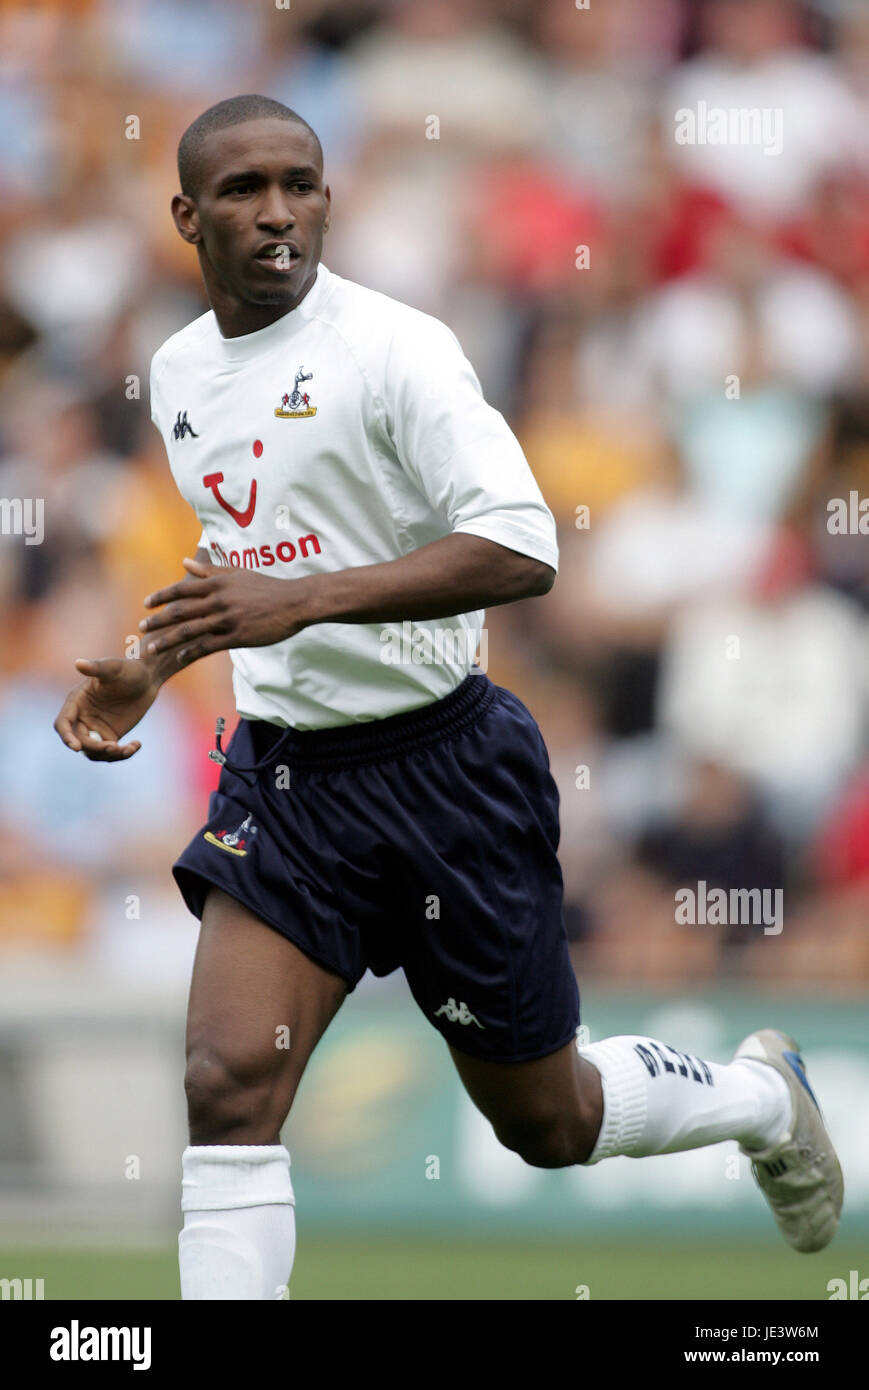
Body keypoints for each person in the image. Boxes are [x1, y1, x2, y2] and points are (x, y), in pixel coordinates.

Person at [54, 96, 842, 1300]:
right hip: (287, 778)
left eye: (299, 183)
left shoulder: (395, 348)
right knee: (225, 1082)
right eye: (243, 189)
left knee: (549, 1119)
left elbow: (523, 546)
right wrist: (150, 665)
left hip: (444, 772)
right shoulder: (176, 373)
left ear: (326, 197)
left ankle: (757, 1097)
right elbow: (248, 564)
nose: (277, 211)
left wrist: (306, 603)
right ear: (185, 216)